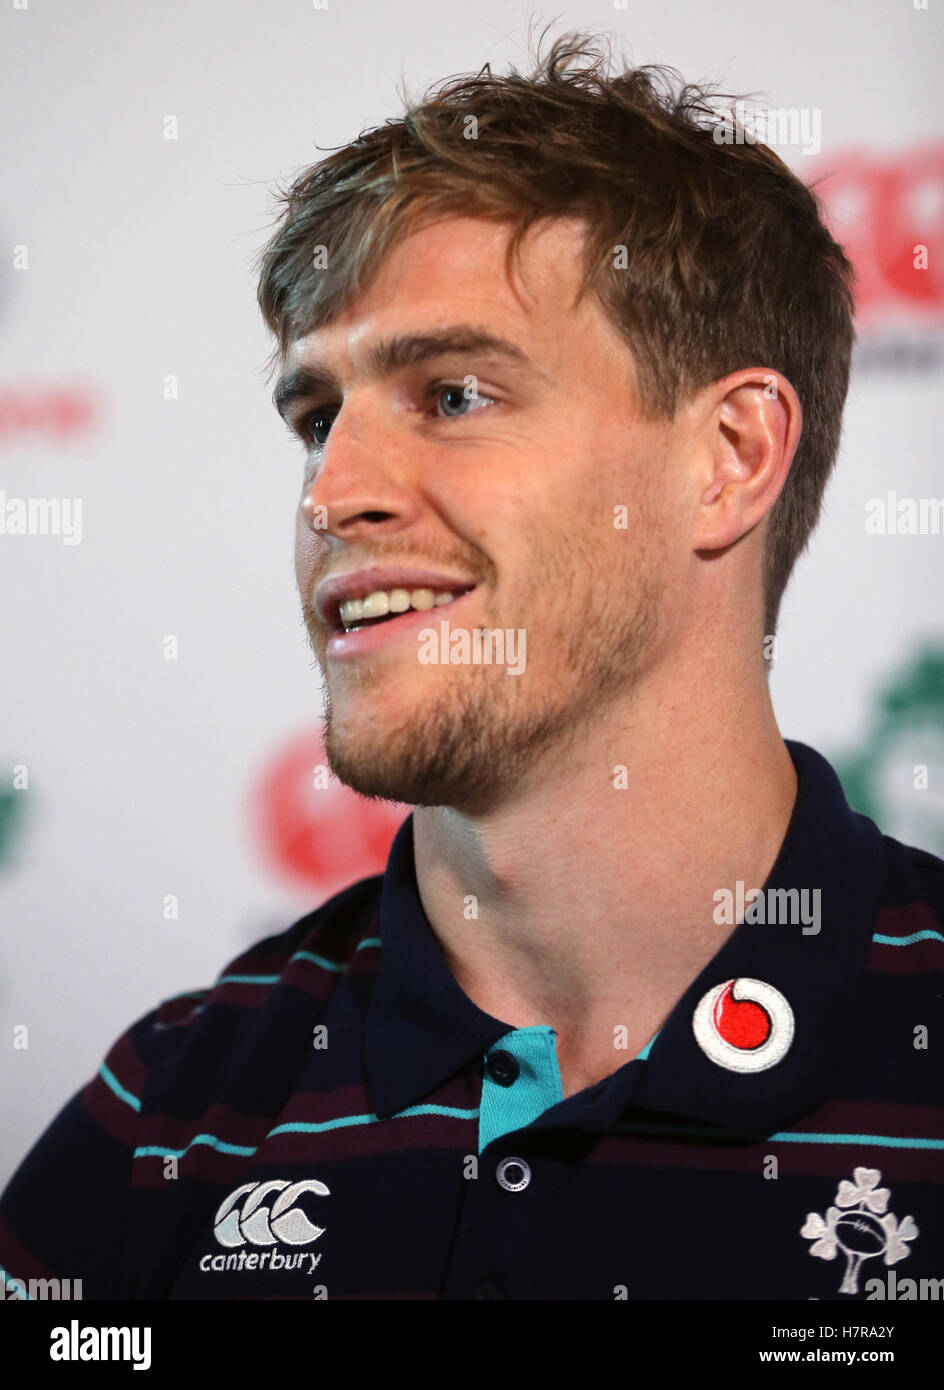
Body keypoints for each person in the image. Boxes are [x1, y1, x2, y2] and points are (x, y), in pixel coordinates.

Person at [2, 30, 941, 1302]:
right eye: (317, 418)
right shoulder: (165, 1118)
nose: (333, 493)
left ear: (726, 455)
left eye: (452, 394)